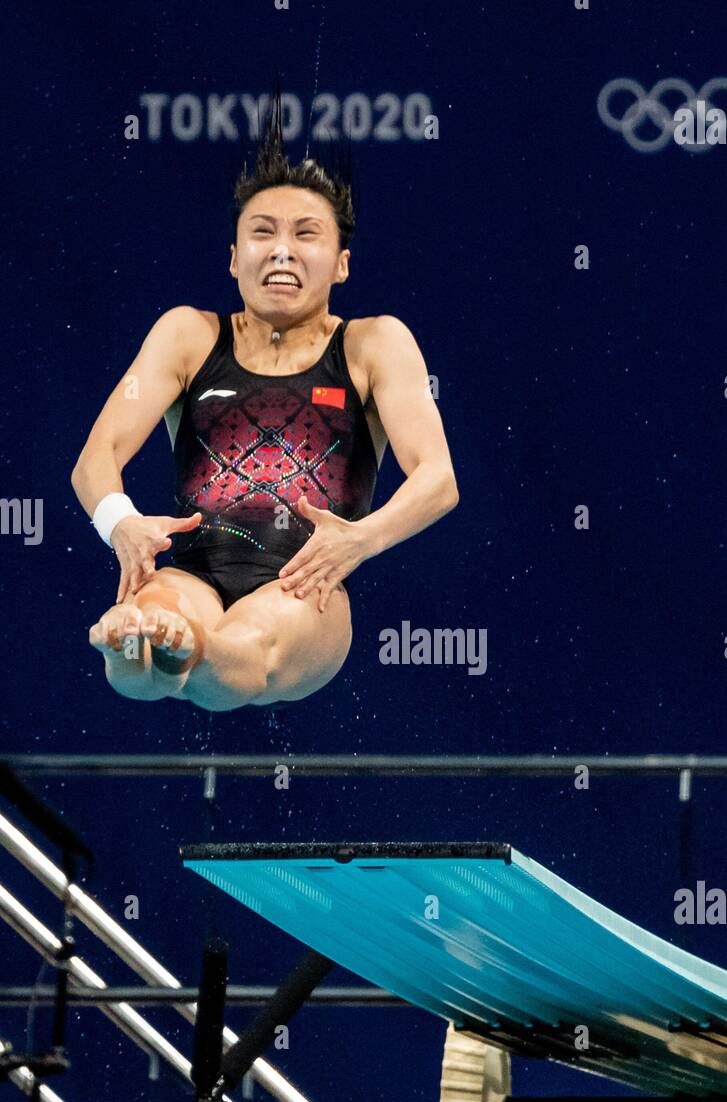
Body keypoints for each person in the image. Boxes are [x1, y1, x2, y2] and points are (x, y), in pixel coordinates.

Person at [71, 108, 458, 711]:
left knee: (246, 647)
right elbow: (96, 459)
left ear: (341, 262)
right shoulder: (188, 334)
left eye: (306, 234)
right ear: (233, 256)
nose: (282, 251)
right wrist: (120, 524)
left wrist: (361, 539)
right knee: (152, 621)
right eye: (262, 232)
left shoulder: (372, 344)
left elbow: (438, 479)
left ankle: (178, 646)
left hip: (307, 587)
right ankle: (148, 646)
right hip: (193, 570)